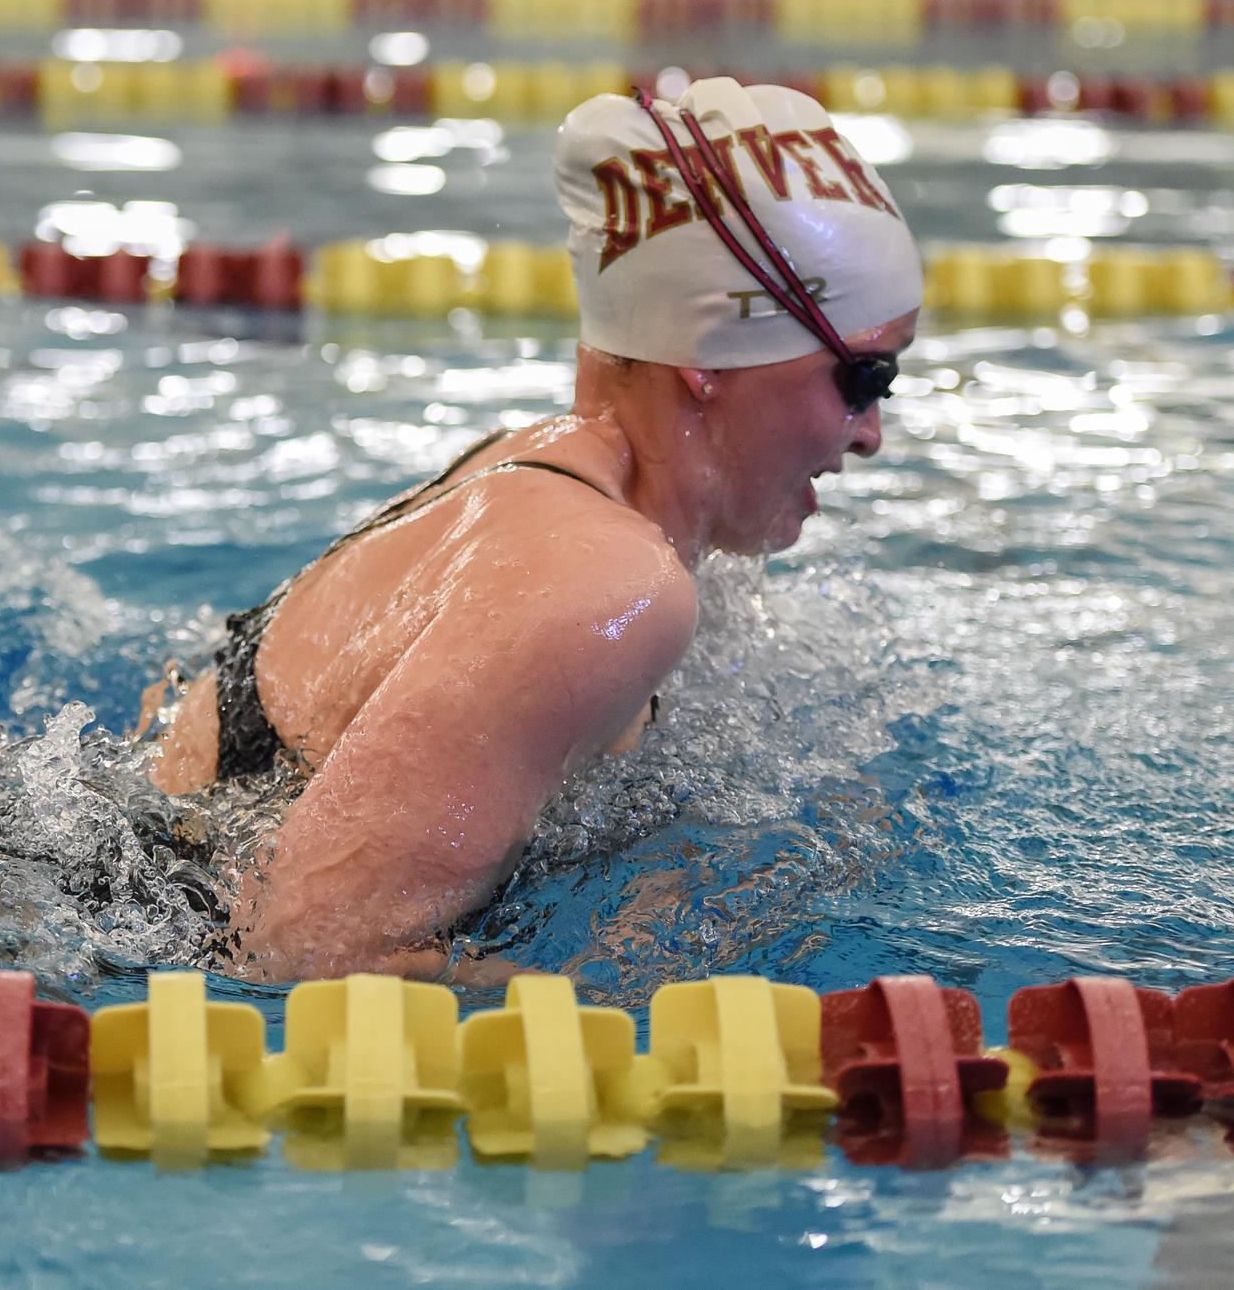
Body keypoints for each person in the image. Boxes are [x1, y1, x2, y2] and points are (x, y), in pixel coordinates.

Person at [148, 76, 923, 982]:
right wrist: (614, 998)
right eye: (865, 379)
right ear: (711, 355)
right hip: (106, 947)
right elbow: (300, 953)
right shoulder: (606, 582)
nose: (870, 434)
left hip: (104, 860)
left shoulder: (537, 473)